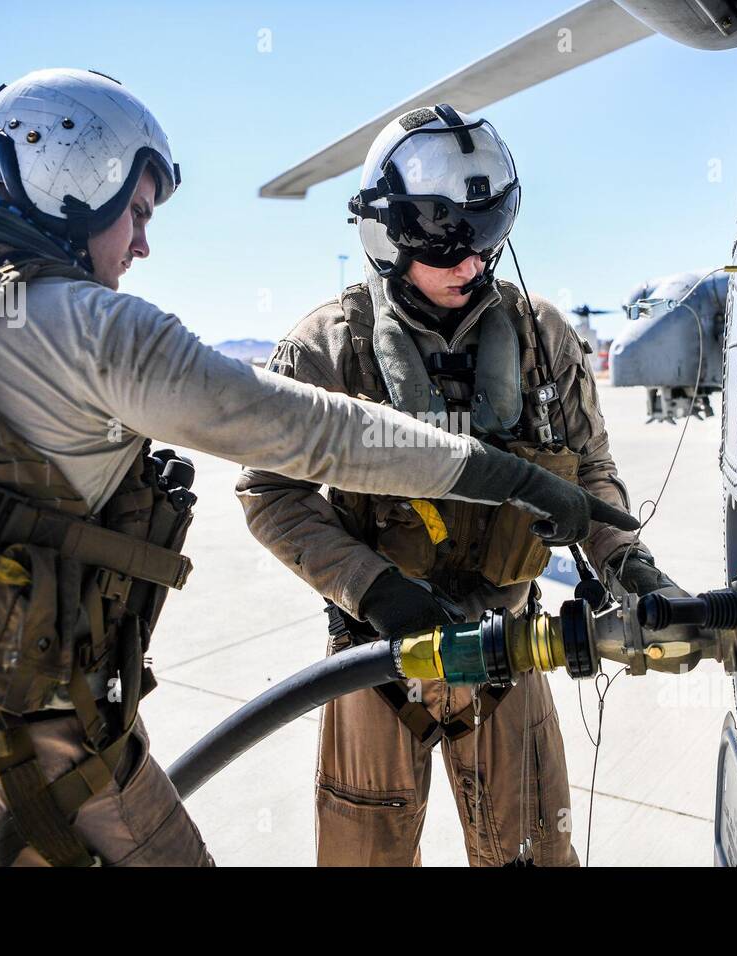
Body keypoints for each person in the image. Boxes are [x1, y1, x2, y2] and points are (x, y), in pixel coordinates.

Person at [0, 72, 630, 868]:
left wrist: (620, 558)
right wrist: (495, 491)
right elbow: (318, 436)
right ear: (81, 180)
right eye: (136, 212)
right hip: (23, 758)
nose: (141, 244)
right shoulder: (99, 331)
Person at [236, 105, 678, 867]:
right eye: (450, 250)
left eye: (487, 243)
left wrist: (628, 565)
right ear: (391, 235)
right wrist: (374, 590)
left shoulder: (544, 337)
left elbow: (593, 472)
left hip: (512, 648)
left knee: (536, 857)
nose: (473, 267)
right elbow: (270, 493)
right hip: (379, 662)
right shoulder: (326, 349)